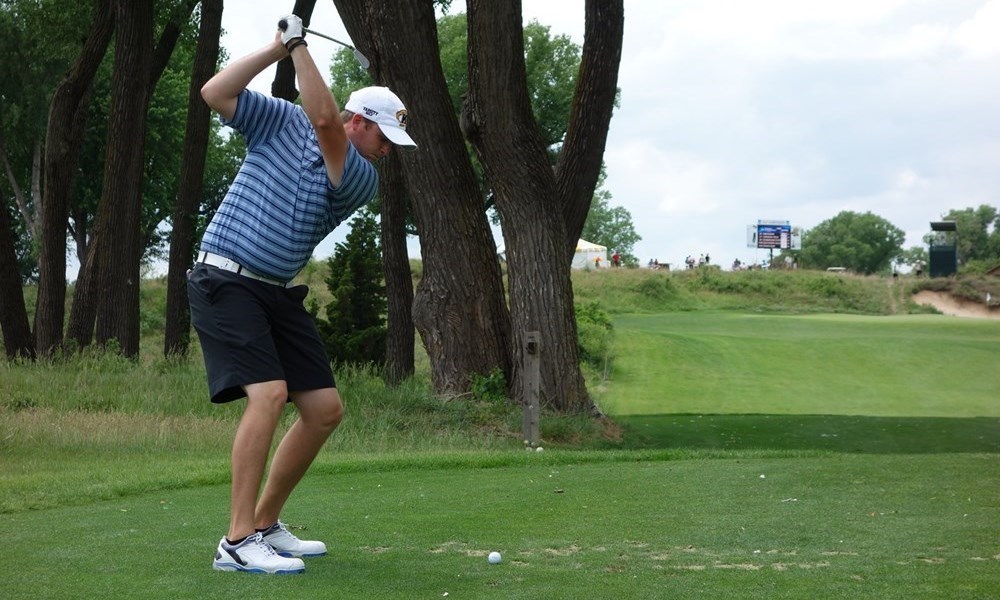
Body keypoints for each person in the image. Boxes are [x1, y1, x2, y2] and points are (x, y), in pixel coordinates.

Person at [188, 15, 416, 574]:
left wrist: (298, 47)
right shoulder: (281, 121)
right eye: (386, 136)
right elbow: (215, 92)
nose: (389, 150)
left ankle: (265, 523)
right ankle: (238, 542)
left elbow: (323, 121)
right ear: (360, 121)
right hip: (225, 277)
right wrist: (275, 49)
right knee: (268, 395)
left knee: (322, 409)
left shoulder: (359, 172)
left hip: (275, 292)